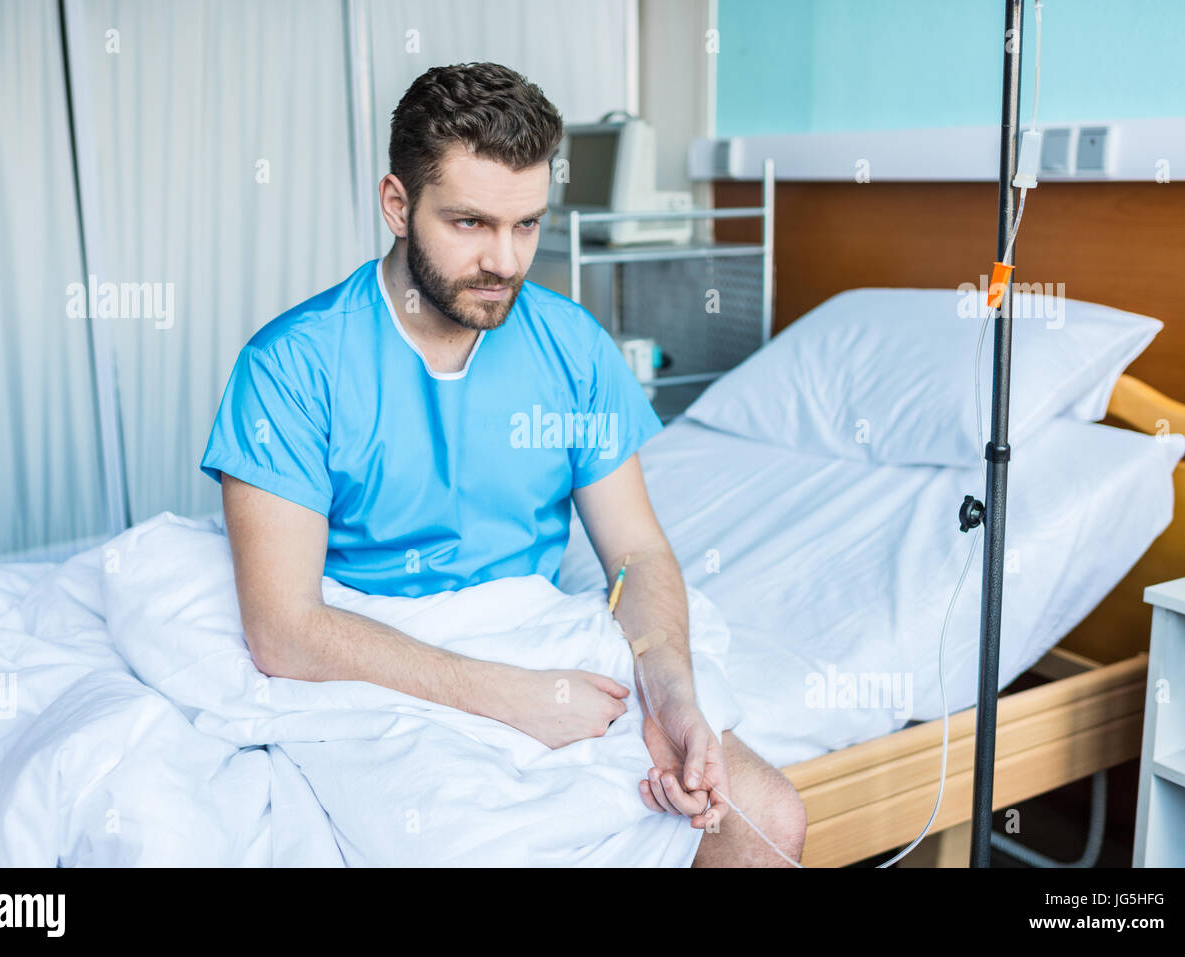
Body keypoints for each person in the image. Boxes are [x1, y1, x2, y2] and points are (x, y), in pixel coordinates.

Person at [200, 61, 805, 867]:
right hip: (380, 660)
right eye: (471, 223)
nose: (506, 260)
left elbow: (634, 555)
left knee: (769, 814)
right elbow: (284, 628)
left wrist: (671, 693)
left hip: (528, 632)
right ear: (396, 205)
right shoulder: (292, 366)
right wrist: (509, 696)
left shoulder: (571, 347)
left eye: (526, 225)